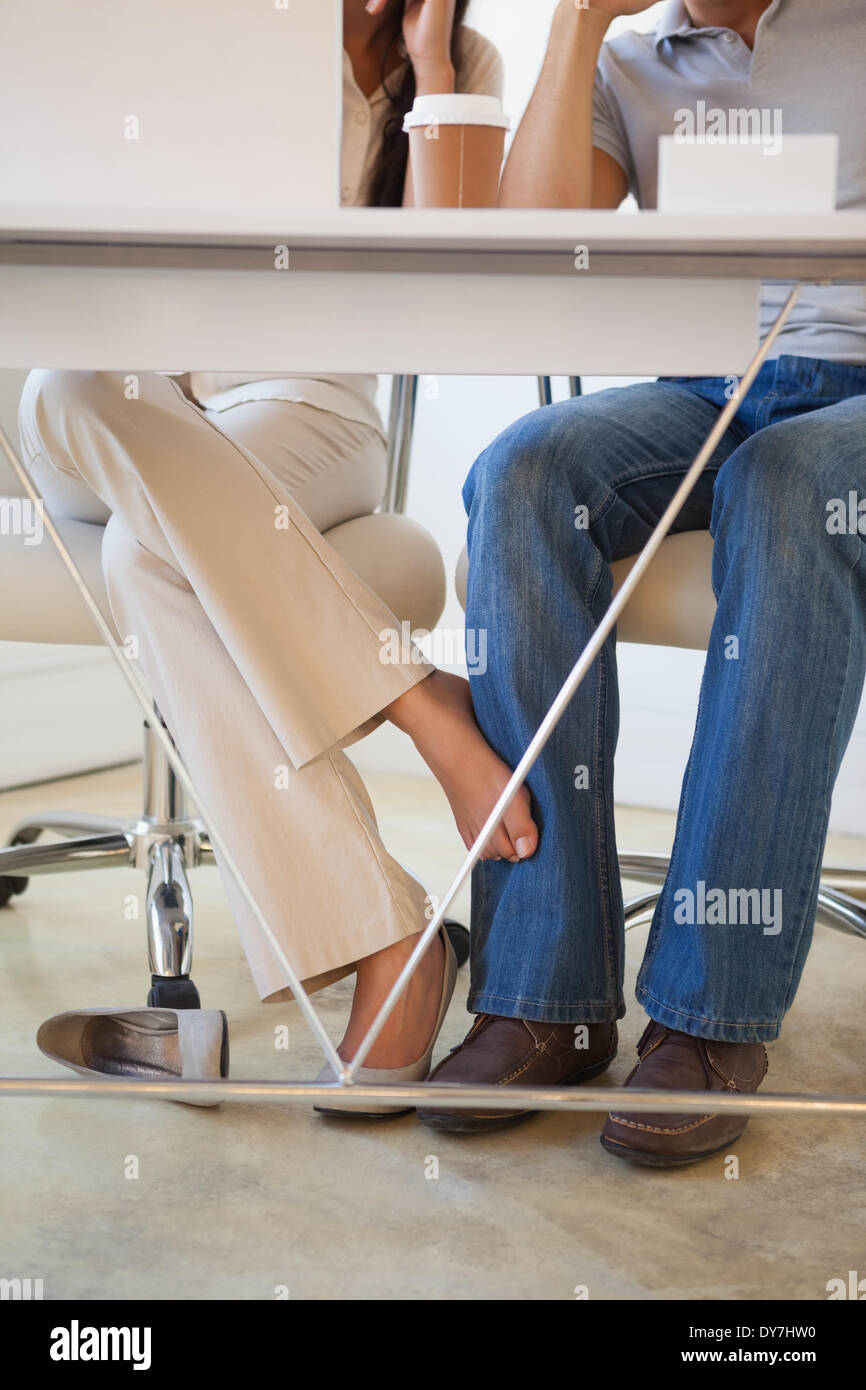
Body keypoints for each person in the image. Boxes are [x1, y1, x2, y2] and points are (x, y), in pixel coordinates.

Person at [19, 0, 533, 1106]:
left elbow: (452, 286)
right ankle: (412, 700)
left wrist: (433, 60)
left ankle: (391, 941)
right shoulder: (200, 26)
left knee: (148, 563)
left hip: (303, 409)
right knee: (61, 385)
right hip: (126, 397)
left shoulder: (459, 58)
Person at [419, 0, 866, 1164]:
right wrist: (575, 21)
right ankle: (542, 993)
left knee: (782, 480)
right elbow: (530, 250)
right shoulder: (626, 56)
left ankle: (710, 1017)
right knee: (521, 470)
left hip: (855, 396)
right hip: (708, 384)